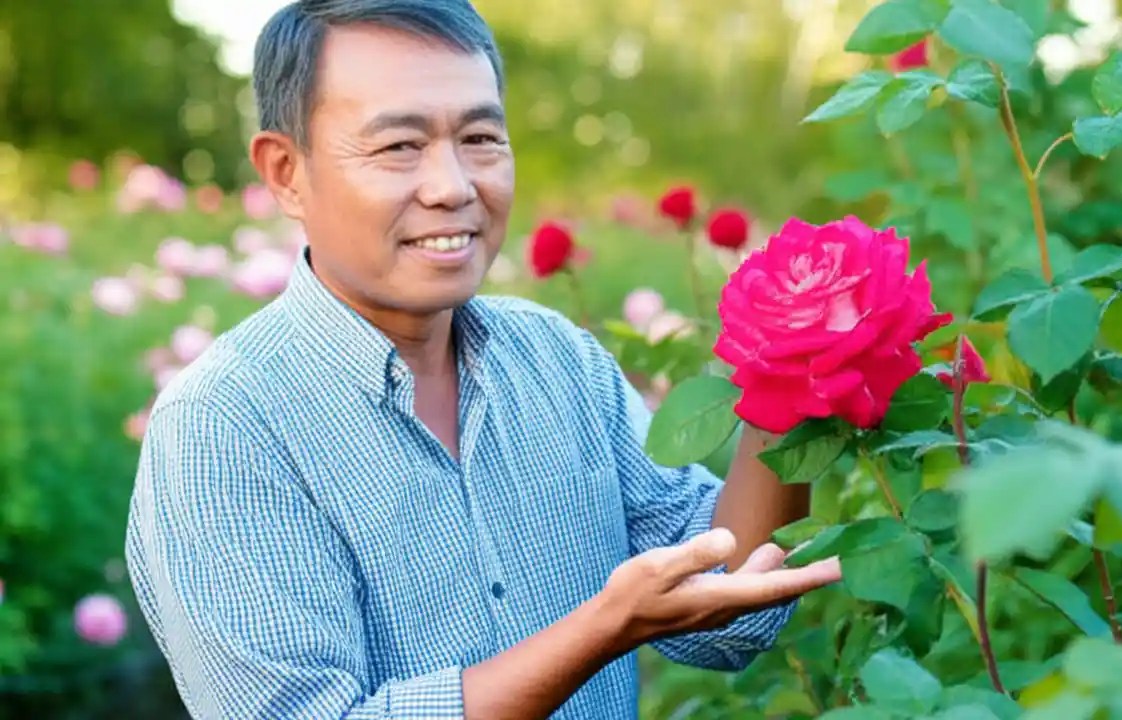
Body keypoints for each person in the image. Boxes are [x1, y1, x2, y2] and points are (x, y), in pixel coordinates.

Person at [124, 1, 842, 718]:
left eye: (479, 137)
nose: (454, 186)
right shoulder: (223, 429)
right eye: (399, 146)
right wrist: (601, 629)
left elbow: (732, 606)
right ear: (285, 171)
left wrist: (789, 369)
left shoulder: (556, 358)